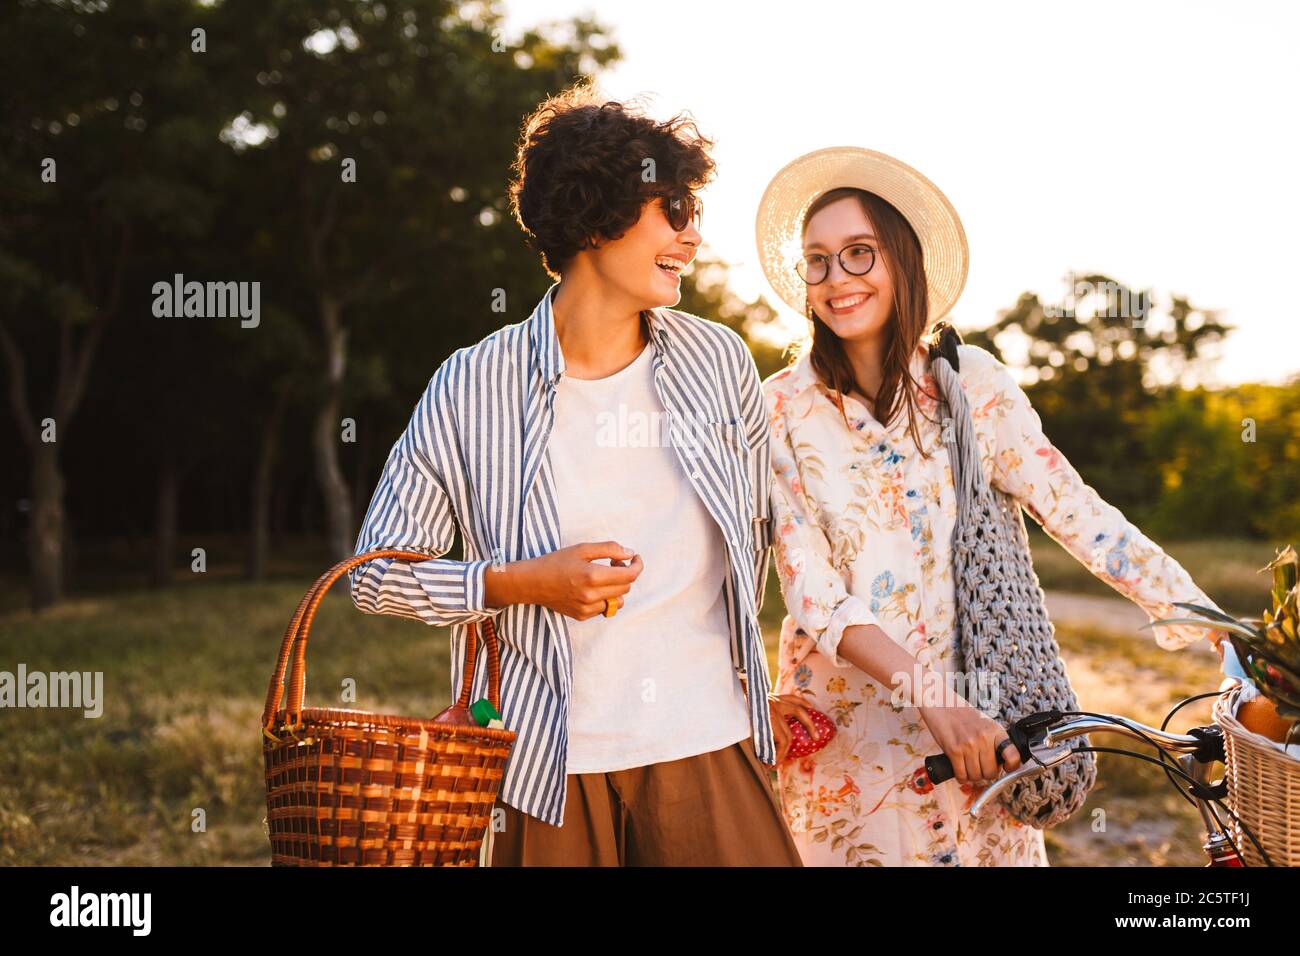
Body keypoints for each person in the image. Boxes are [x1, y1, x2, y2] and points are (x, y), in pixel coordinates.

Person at [349, 82, 802, 866]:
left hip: (709, 737)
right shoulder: (469, 384)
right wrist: (525, 584)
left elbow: (783, 525)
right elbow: (376, 575)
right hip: (542, 764)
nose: (692, 237)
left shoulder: (719, 360)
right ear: (597, 216)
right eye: (674, 209)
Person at [753, 147, 1231, 866]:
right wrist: (934, 701)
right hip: (852, 741)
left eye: (860, 253)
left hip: (987, 726)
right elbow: (811, 589)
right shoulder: (779, 407)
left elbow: (1077, 512)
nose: (835, 280)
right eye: (816, 261)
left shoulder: (970, 386)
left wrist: (1210, 624)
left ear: (905, 261)